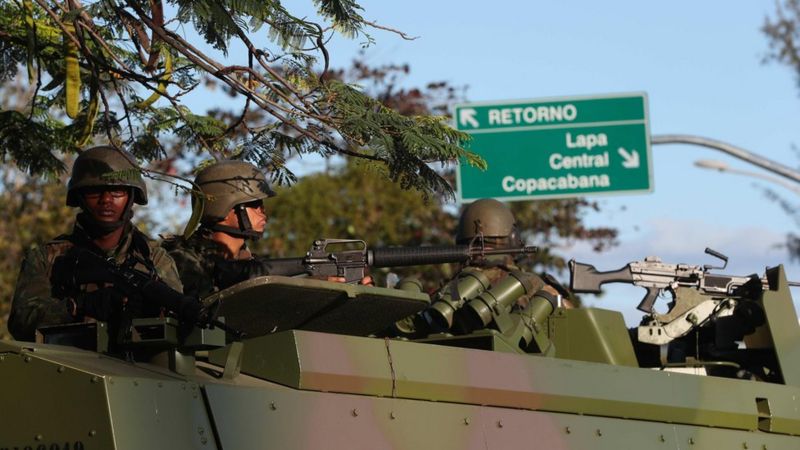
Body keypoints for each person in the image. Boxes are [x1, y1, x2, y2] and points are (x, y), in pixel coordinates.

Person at [9, 146, 193, 343]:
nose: (106, 200)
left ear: (131, 197)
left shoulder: (154, 259)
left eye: (116, 191)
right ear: (80, 196)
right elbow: (22, 321)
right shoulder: (48, 258)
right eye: (95, 191)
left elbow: (176, 329)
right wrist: (77, 306)